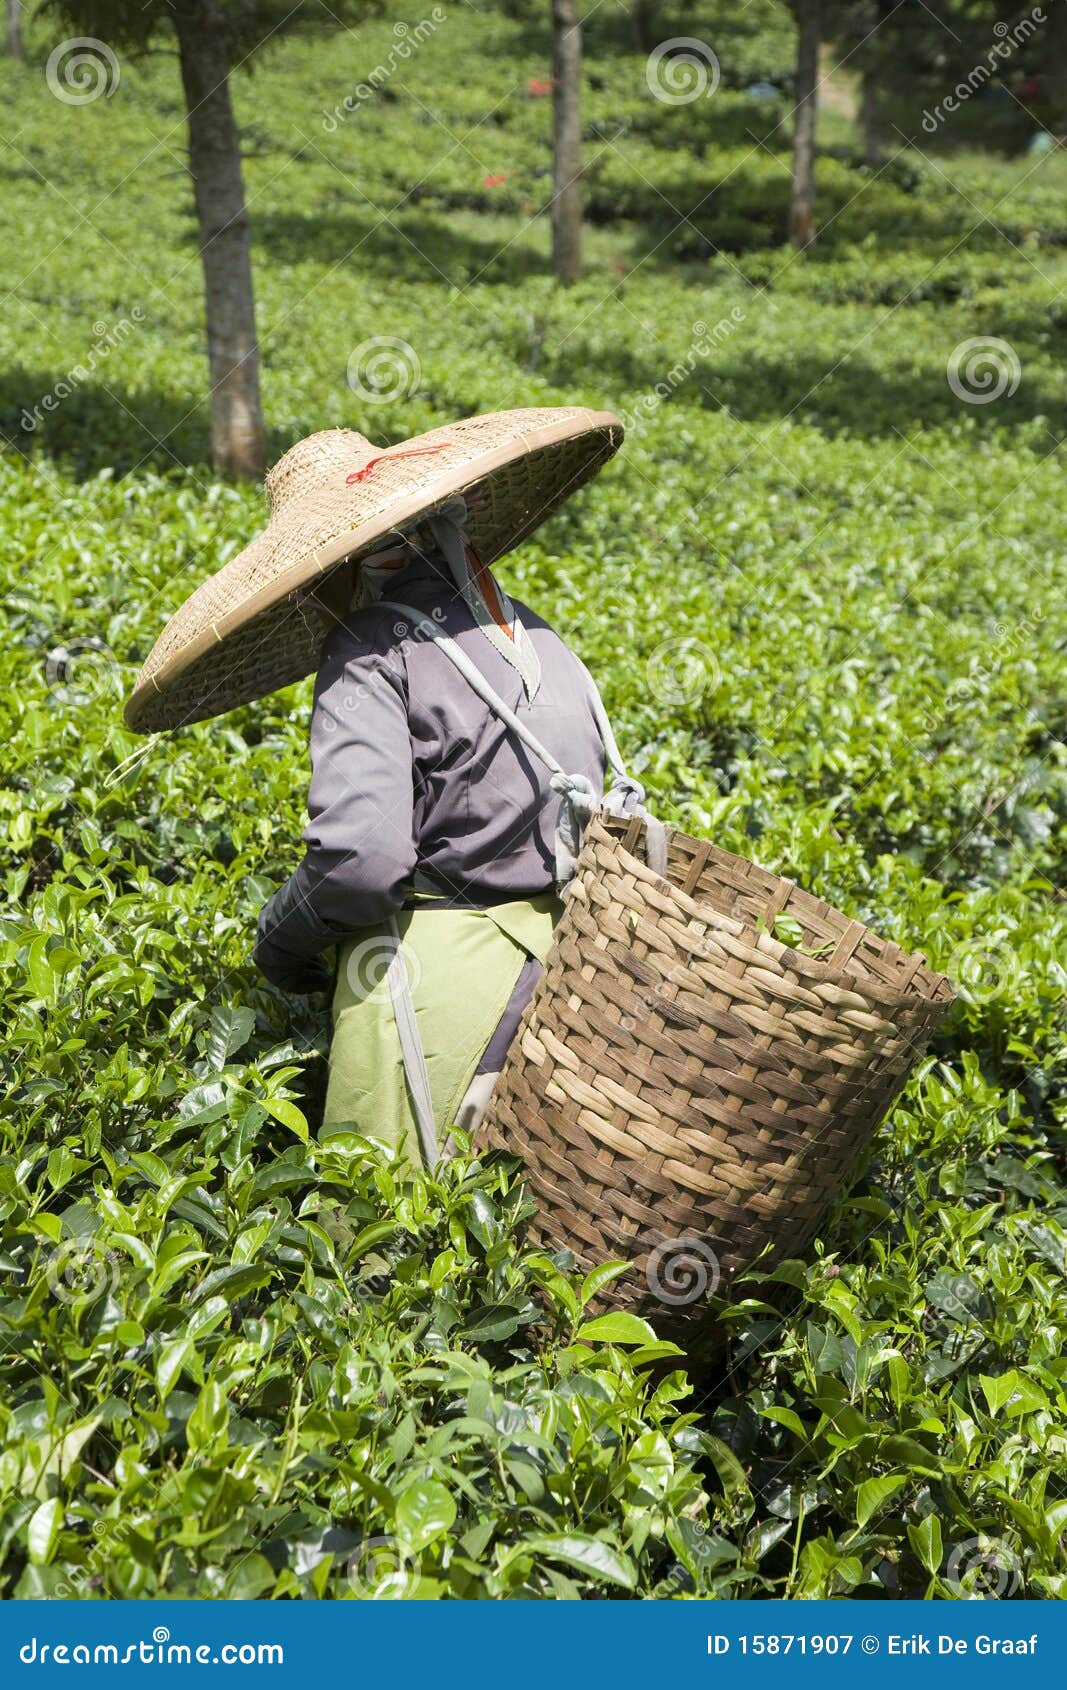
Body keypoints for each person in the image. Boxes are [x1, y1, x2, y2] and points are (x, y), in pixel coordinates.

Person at [124, 408, 629, 1165]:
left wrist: (278, 944)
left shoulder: (367, 648)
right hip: (570, 982)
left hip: (443, 997)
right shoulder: (537, 634)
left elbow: (361, 863)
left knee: (385, 1244)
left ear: (343, 563)